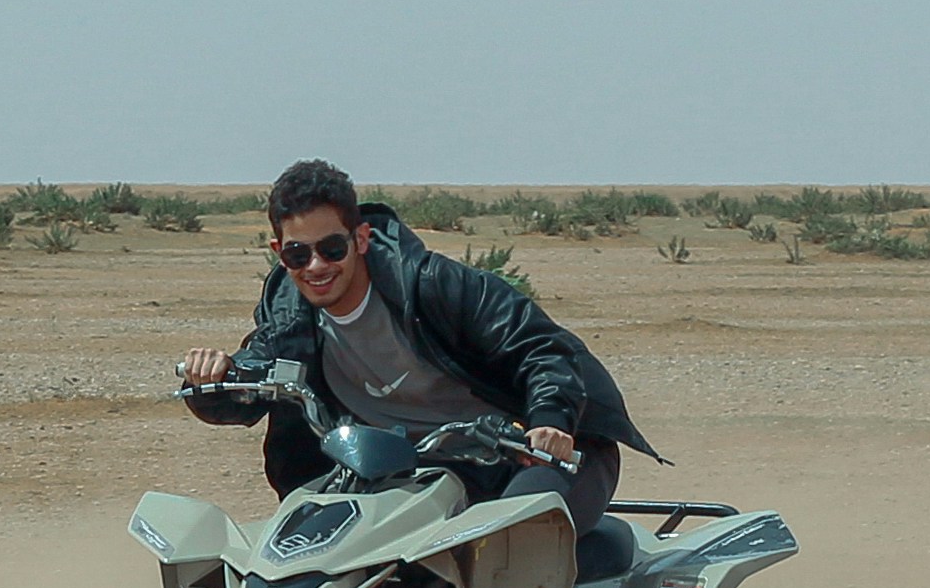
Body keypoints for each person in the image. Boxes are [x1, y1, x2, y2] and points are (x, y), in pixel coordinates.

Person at [175, 159, 655, 532]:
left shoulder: (430, 284)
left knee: (516, 544)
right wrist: (216, 379)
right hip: (413, 468)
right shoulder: (288, 316)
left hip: (530, 453)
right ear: (280, 254)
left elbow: (542, 350)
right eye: (299, 253)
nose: (317, 266)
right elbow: (256, 379)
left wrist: (550, 423)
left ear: (360, 239)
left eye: (332, 248)